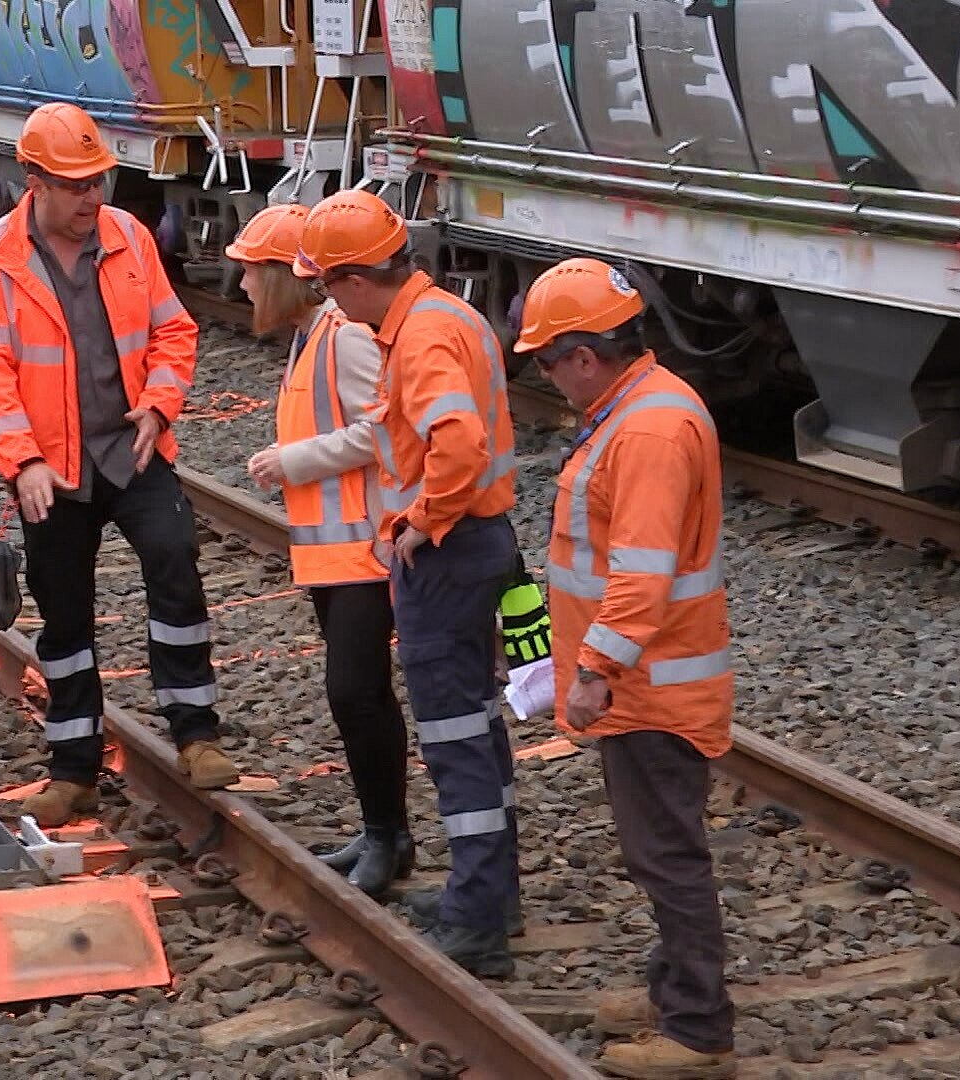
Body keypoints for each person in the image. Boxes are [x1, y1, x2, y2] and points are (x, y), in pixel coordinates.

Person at [0, 102, 238, 826]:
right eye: (76, 185)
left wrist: (159, 406)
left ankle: (196, 733)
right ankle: (73, 767)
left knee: (174, 561)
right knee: (64, 613)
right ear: (35, 182)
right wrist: (22, 461)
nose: (92, 197)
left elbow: (173, 332)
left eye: (98, 181)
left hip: (131, 448)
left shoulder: (128, 236)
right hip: (50, 468)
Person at [514, 258, 735, 1079]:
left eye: (546, 361)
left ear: (583, 355)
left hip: (653, 684)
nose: (545, 376)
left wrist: (596, 667)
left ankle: (699, 1031)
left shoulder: (645, 431)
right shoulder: (639, 406)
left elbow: (642, 572)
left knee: (666, 856)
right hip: (653, 675)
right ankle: (673, 988)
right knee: (661, 847)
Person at [294, 189, 520, 976]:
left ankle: (477, 924)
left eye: (328, 285)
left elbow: (457, 442)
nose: (329, 302)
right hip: (481, 544)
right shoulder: (446, 314)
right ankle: (487, 895)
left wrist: (421, 520)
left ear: (356, 281)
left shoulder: (419, 336)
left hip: (449, 555)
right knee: (479, 728)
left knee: (455, 739)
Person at [231, 204, 409, 896]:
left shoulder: (344, 336)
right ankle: (383, 833)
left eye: (251, 271)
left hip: (364, 551)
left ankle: (387, 835)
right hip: (334, 556)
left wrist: (293, 461)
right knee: (358, 698)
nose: (242, 284)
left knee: (356, 694)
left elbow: (382, 431)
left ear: (281, 276)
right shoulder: (312, 337)